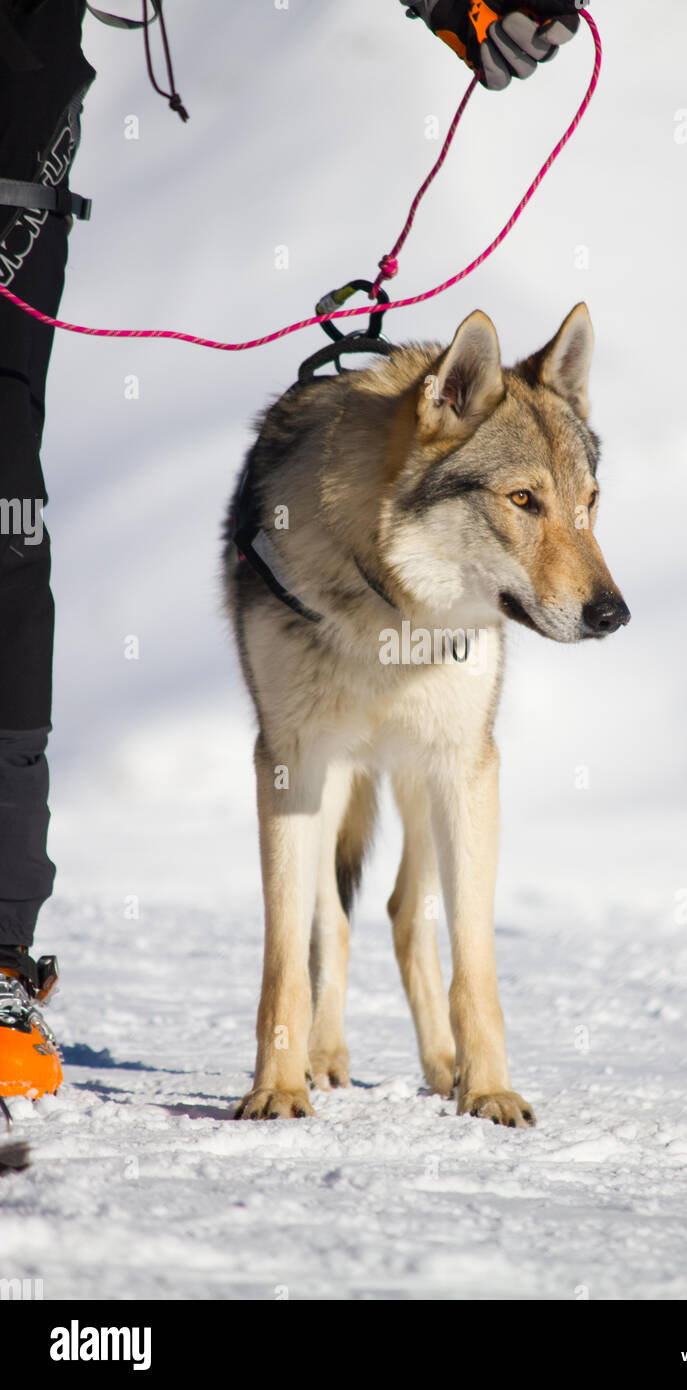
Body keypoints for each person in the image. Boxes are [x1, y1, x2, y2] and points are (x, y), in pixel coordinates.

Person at [0, 0, 584, 1100]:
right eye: (535, 507)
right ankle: (296, 1015)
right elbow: (287, 766)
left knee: (432, 773)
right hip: (327, 568)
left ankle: (457, 1016)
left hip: (23, 139)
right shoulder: (353, 492)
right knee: (304, 761)